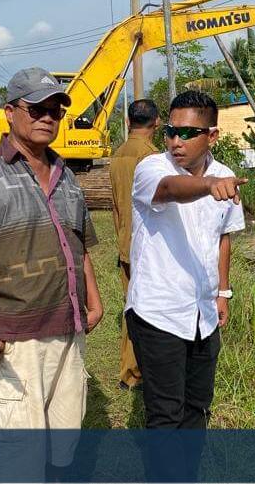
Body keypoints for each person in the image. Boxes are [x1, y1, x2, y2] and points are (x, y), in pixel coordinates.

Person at [0, 66, 104, 436]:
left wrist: (94, 302)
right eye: (37, 109)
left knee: (65, 445)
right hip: (17, 343)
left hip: (69, 332)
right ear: (10, 112)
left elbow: (79, 247)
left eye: (56, 111)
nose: (48, 118)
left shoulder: (66, 175)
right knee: (18, 457)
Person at [125, 90, 247, 429]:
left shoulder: (226, 174)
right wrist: (207, 186)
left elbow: (223, 237)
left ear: (212, 136)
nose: (176, 141)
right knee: (166, 414)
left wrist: (223, 293)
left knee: (197, 409)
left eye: (188, 133)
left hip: (203, 314)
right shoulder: (152, 168)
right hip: (158, 312)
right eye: (171, 131)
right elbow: (168, 190)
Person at [108, 99, 160, 390]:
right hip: (147, 247)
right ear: (157, 123)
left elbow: (116, 206)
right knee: (146, 312)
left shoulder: (118, 154)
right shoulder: (151, 157)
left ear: (128, 122)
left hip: (125, 242)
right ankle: (137, 372)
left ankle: (130, 372)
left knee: (131, 308)